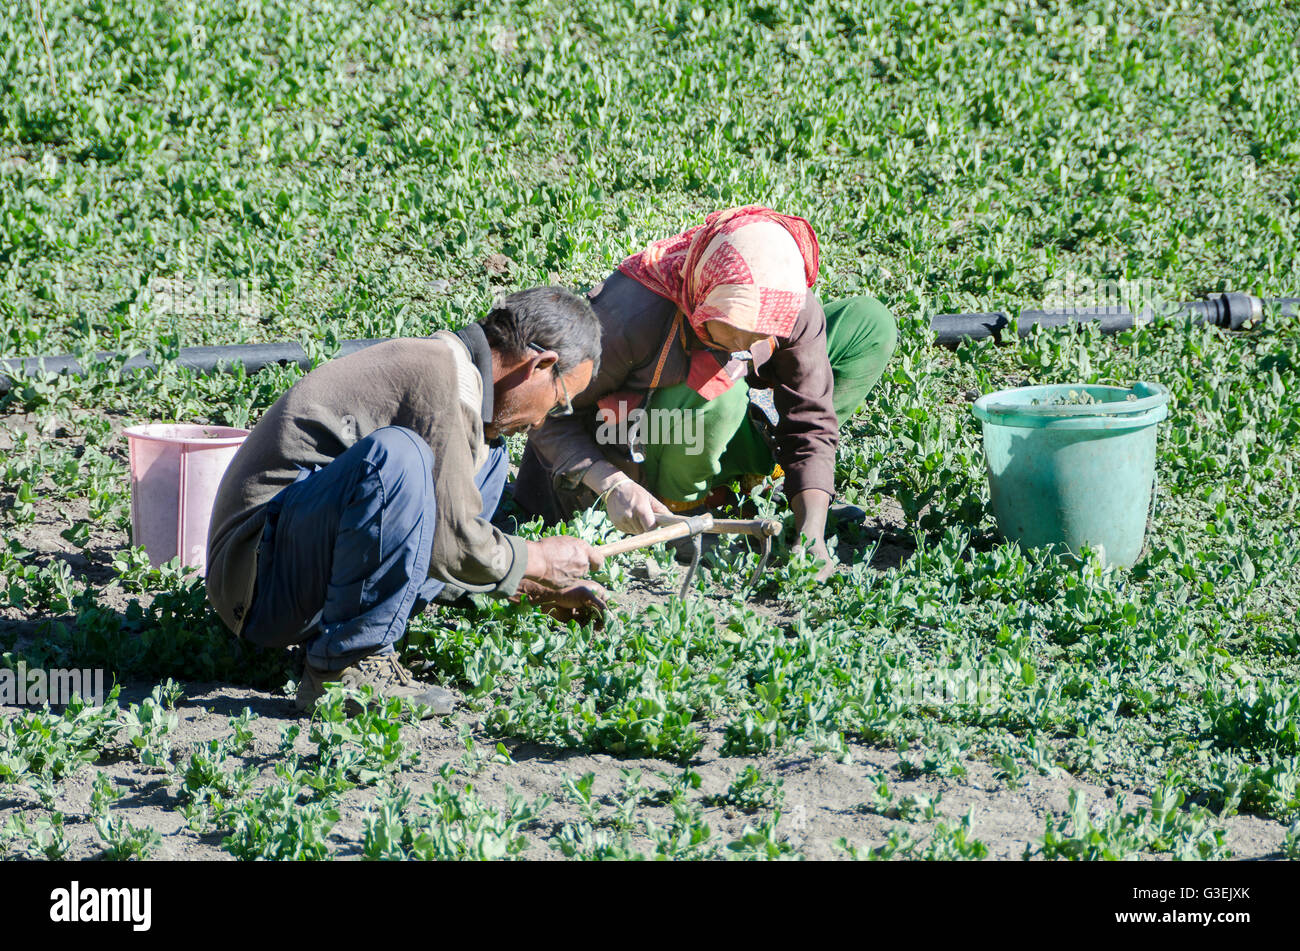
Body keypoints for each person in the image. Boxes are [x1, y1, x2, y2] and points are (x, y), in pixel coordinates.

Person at [206, 287, 607, 717]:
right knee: (398, 459)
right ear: (541, 365)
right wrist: (540, 560)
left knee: (486, 463)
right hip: (254, 580)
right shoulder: (439, 373)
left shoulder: (462, 389)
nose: (544, 420)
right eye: (559, 402)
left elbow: (436, 535)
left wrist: (529, 589)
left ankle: (352, 636)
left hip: (297, 568)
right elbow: (448, 539)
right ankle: (344, 667)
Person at [513, 206, 898, 580]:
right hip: (631, 453)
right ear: (705, 295)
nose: (747, 345)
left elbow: (810, 421)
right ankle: (688, 515)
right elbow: (547, 415)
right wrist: (612, 484)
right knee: (721, 385)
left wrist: (811, 529)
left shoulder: (784, 303)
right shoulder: (627, 315)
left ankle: (760, 483)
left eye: (764, 332)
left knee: (867, 324)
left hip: (717, 425)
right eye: (733, 327)